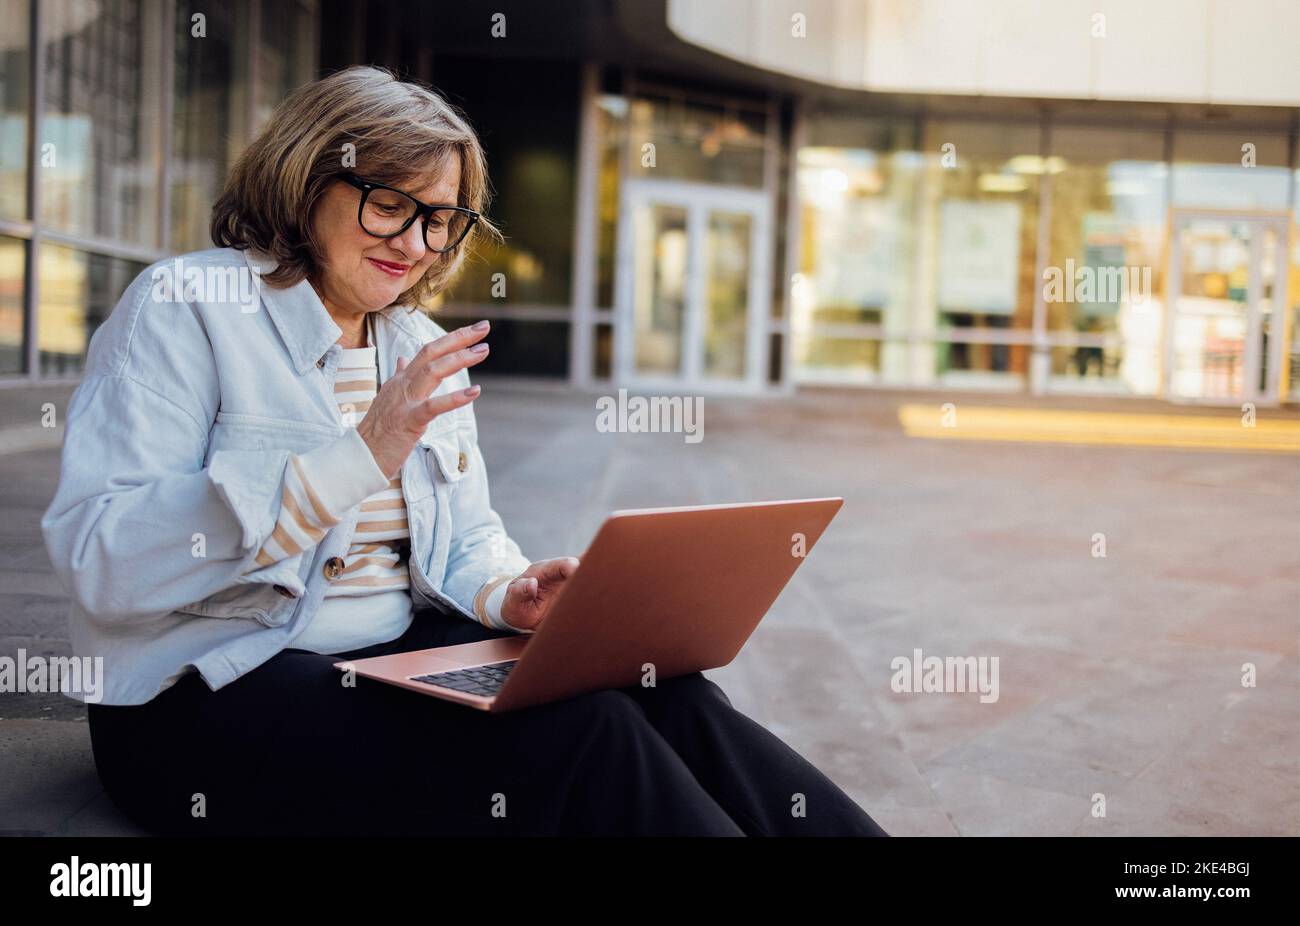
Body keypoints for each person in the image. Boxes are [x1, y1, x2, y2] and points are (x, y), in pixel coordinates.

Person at [40, 65, 888, 837]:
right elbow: (104, 563)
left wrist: (506, 592)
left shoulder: (415, 343)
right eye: (387, 202)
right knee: (581, 736)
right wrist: (354, 457)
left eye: (439, 220)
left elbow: (466, 534)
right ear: (303, 179)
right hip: (200, 700)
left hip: (379, 664)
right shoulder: (187, 306)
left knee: (661, 691)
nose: (413, 243)